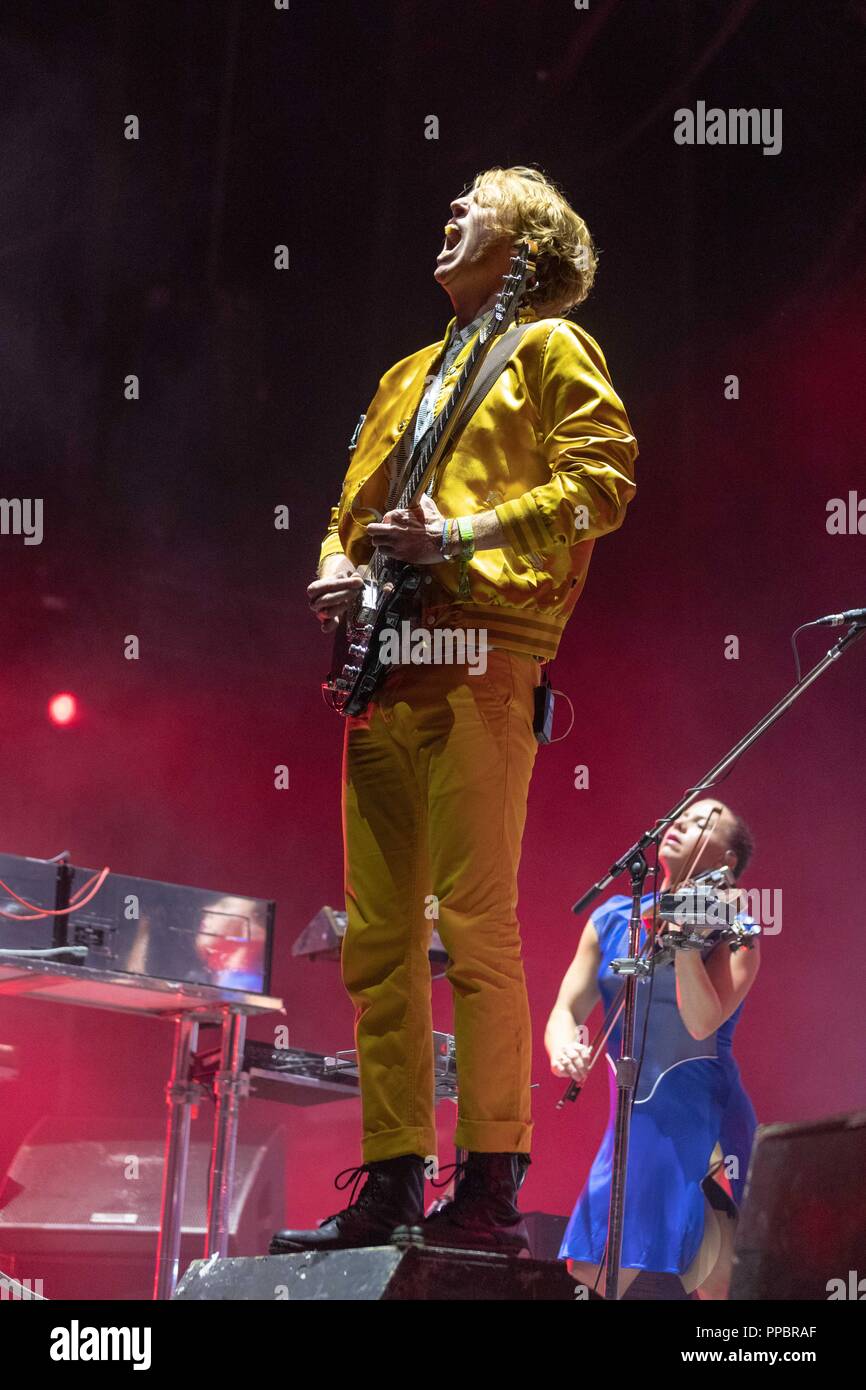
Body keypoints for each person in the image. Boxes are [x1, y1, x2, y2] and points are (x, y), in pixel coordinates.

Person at [272, 165, 638, 1255]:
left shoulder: (547, 347)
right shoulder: (403, 375)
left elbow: (602, 481)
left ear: (525, 240)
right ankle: (391, 1176)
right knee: (377, 943)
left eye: (469, 204)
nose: (444, 217)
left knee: (471, 923)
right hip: (384, 671)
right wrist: (340, 563)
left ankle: (488, 1175)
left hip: (484, 654)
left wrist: (463, 538)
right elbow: (351, 512)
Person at [546, 799, 760, 1297]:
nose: (682, 824)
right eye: (681, 816)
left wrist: (684, 944)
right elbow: (566, 1010)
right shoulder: (613, 919)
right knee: (596, 1265)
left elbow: (704, 1018)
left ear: (727, 862)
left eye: (705, 822)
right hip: (637, 1115)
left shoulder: (739, 926)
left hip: (703, 1113)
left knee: (716, 1275)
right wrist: (564, 1047)